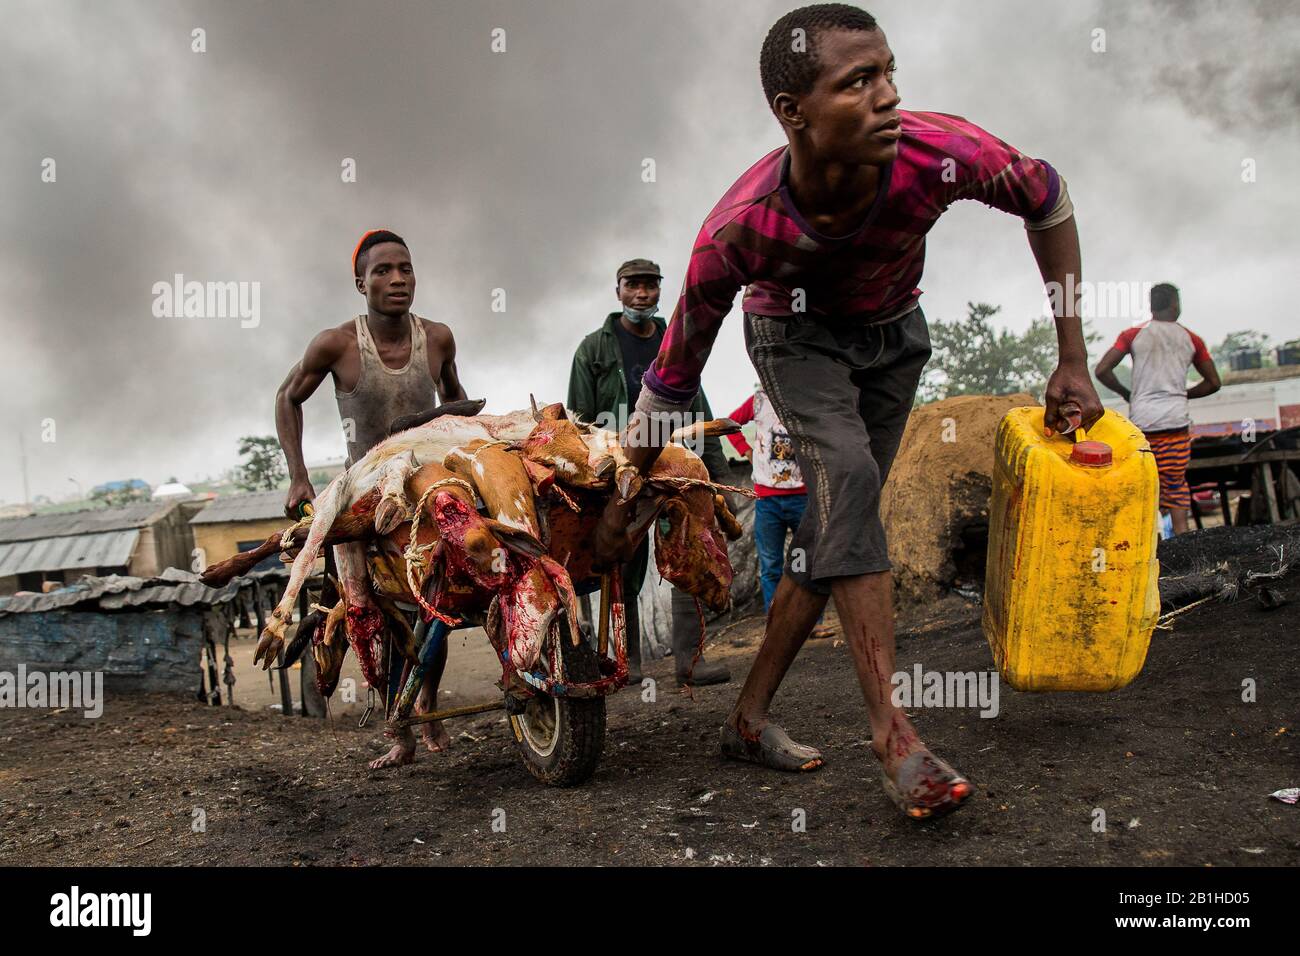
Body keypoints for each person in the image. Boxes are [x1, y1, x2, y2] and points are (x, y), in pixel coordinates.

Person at [593, 4, 1103, 820]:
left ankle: (748, 719)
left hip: (895, 335)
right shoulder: (739, 230)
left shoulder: (939, 153)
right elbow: (672, 376)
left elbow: (1050, 197)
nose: (889, 96)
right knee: (852, 481)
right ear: (791, 113)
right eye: (859, 81)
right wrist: (629, 491)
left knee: (832, 531)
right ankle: (893, 733)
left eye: (891, 72)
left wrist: (1071, 356)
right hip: (793, 339)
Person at [275, 228, 468, 767]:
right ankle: (398, 732)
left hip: (422, 483)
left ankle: (425, 703)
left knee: (439, 601)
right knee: (365, 612)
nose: (398, 279)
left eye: (405, 268)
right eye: (383, 271)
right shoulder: (336, 344)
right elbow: (287, 397)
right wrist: (297, 476)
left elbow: (455, 401)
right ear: (360, 282)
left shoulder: (437, 338)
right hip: (360, 493)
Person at [568, 258, 732, 687]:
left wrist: (716, 475)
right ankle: (630, 664)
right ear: (618, 290)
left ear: (660, 291)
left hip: (677, 465)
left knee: (689, 552)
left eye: (650, 286)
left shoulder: (674, 341)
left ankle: (690, 663)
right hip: (622, 470)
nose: (642, 294)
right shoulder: (594, 349)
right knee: (623, 560)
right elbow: (578, 418)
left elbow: (701, 409)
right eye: (633, 285)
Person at [1094, 283, 1220, 534]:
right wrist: (1182, 395)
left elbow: (1101, 370)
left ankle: (1146, 550)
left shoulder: (1132, 335)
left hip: (1143, 425)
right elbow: (1214, 383)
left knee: (1143, 486)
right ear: (1175, 304)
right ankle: (1183, 550)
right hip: (1176, 423)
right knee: (1175, 486)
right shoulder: (1191, 339)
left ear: (1151, 306)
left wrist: (1129, 395)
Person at [727, 386, 836, 638]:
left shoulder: (805, 397)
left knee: (807, 560)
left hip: (802, 496)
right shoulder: (759, 400)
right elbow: (731, 423)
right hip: (767, 499)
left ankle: (813, 622)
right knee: (771, 566)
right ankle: (775, 626)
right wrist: (746, 450)